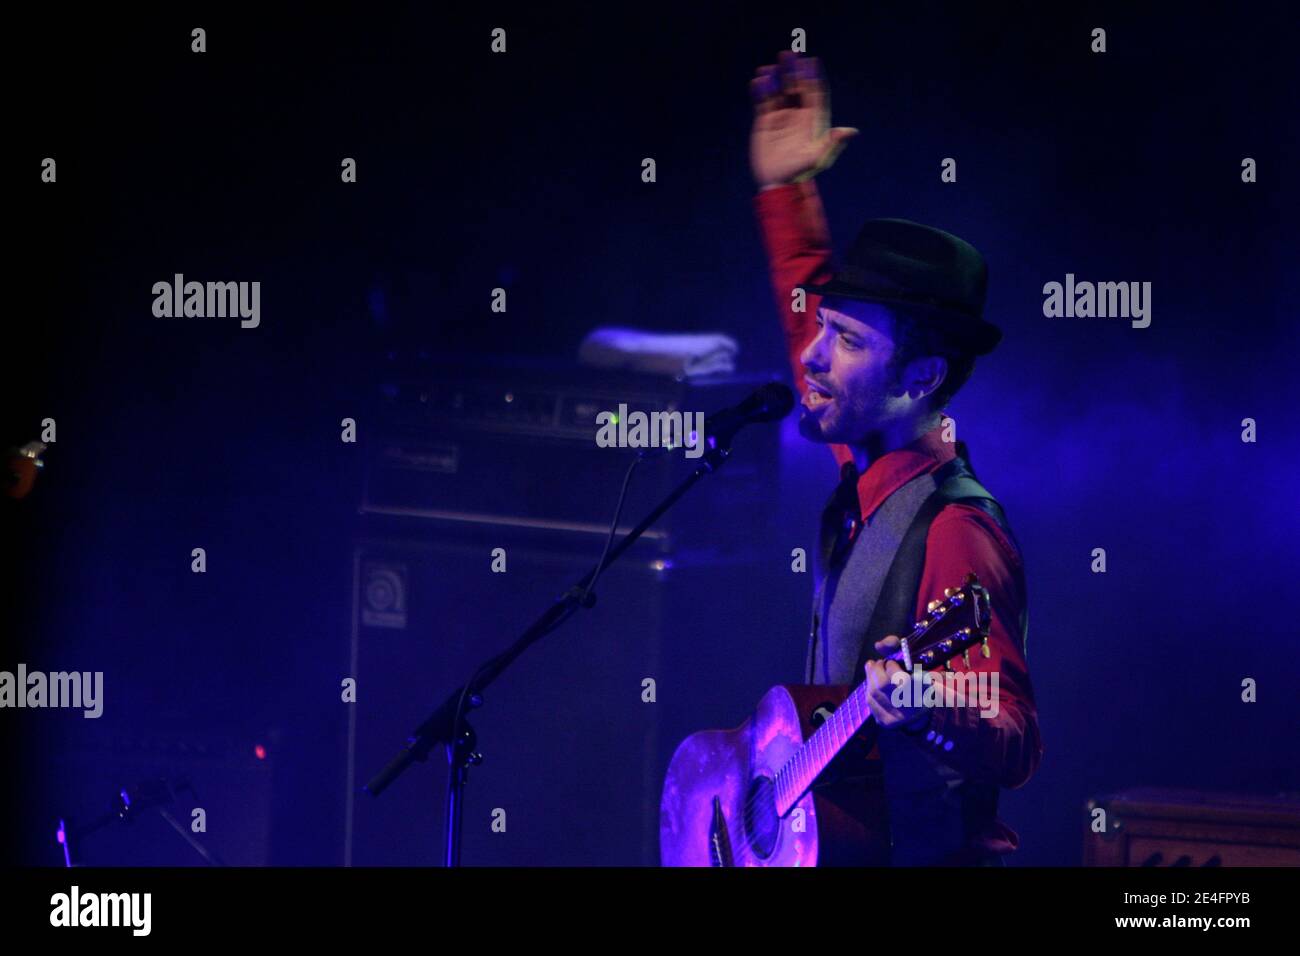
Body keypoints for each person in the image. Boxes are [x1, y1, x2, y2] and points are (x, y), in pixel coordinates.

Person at [750, 51, 1043, 865]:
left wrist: (927, 702)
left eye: (844, 339)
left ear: (919, 378)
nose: (811, 355)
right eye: (821, 328)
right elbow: (811, 305)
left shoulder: (957, 528)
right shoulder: (874, 461)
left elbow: (1014, 735)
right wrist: (787, 190)